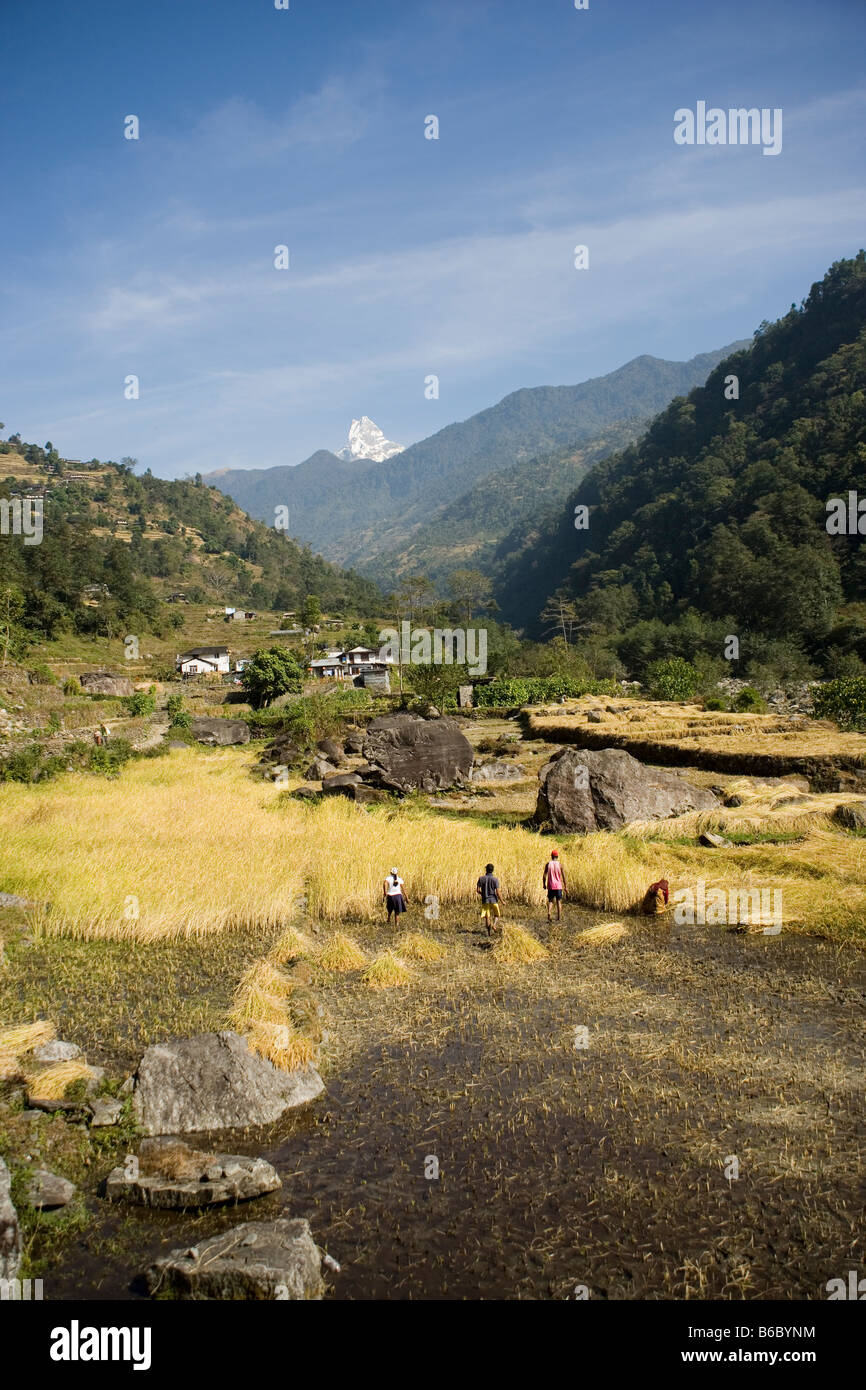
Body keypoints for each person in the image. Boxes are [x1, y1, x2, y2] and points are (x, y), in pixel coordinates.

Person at [476, 862, 505, 935]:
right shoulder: (495, 880)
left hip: (485, 900)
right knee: (497, 914)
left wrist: (483, 894)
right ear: (493, 870)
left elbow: (478, 890)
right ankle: (494, 925)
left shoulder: (481, 878)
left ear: (486, 870)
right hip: (494, 900)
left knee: (487, 917)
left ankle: (489, 933)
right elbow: (498, 892)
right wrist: (502, 901)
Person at [543, 848, 567, 922]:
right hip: (558, 886)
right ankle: (559, 918)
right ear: (557, 856)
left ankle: (549, 913)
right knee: (558, 901)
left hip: (550, 885)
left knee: (550, 901)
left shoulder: (548, 864)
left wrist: (544, 884)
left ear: (551, 856)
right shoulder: (560, 865)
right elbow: (563, 876)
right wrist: (566, 886)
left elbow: (544, 875)